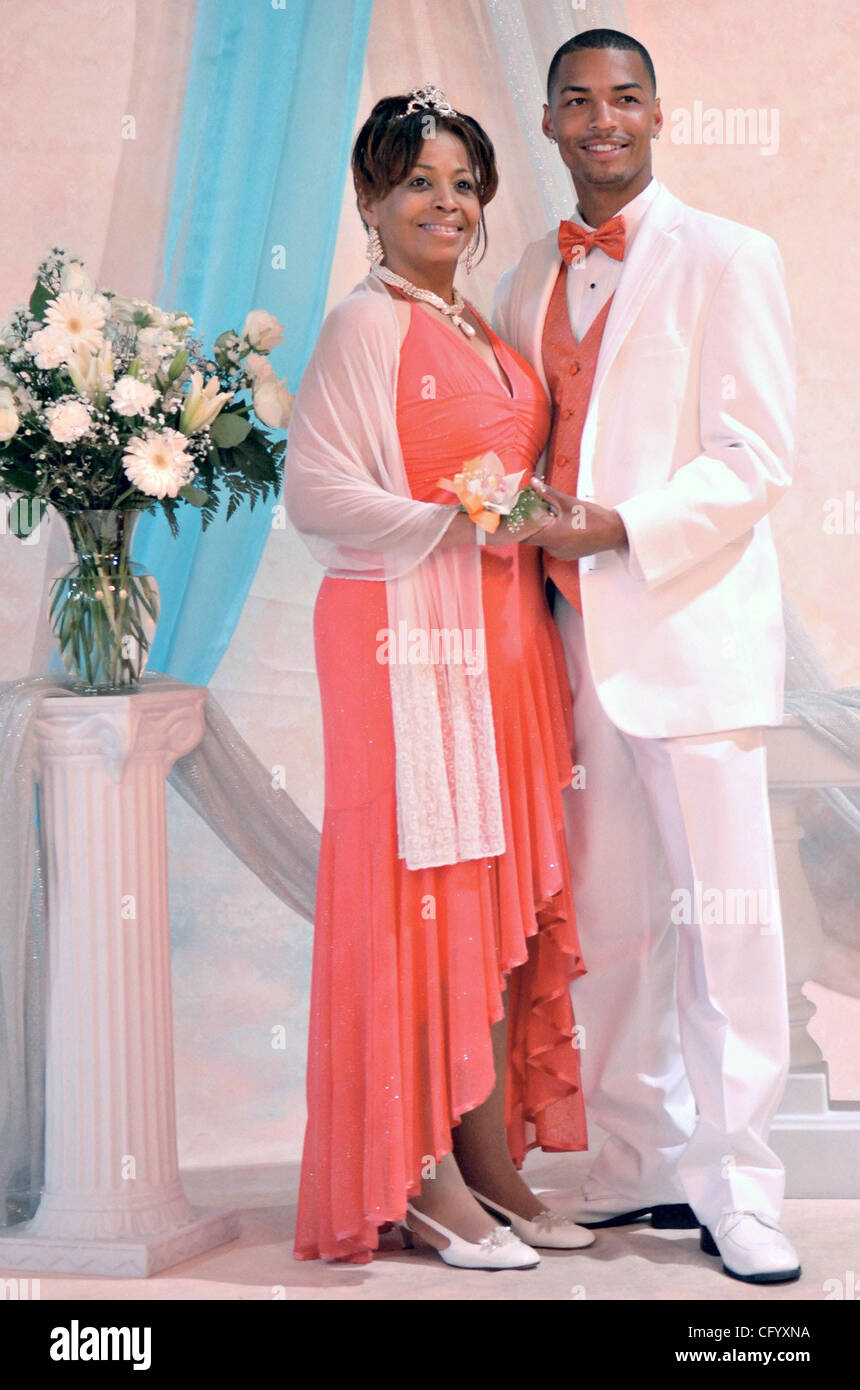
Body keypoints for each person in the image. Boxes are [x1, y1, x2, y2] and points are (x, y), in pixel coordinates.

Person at [493, 29, 800, 1284]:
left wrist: (618, 526)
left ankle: (742, 1189)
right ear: (552, 122)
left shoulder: (727, 257)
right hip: (567, 648)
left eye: (624, 99)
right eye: (578, 101)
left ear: (658, 117)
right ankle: (636, 1163)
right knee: (612, 922)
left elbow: (754, 457)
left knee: (724, 928)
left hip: (690, 637)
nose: (601, 119)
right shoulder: (525, 271)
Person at [284, 87, 594, 1268]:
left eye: (463, 181)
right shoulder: (366, 326)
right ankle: (406, 1173)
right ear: (369, 199)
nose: (446, 202)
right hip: (402, 645)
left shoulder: (476, 326)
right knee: (410, 892)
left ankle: (482, 1155)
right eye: (418, 180)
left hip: (502, 648)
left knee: (481, 896)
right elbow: (317, 495)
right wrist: (459, 514)